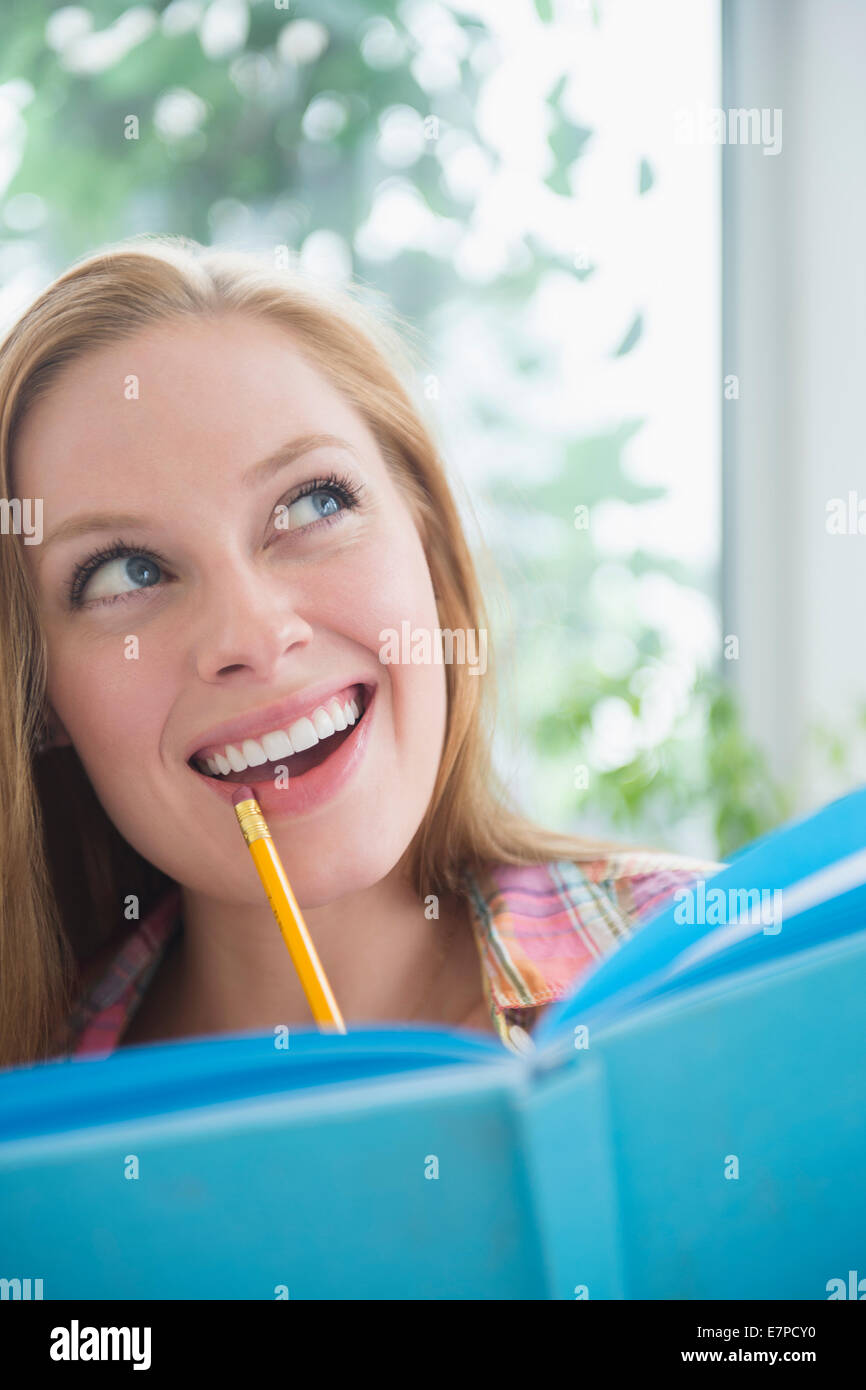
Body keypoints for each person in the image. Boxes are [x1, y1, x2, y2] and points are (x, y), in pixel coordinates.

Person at [0, 235, 719, 1071]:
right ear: (39, 697)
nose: (253, 636)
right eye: (128, 572)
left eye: (312, 503)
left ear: (428, 544)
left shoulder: (729, 965)